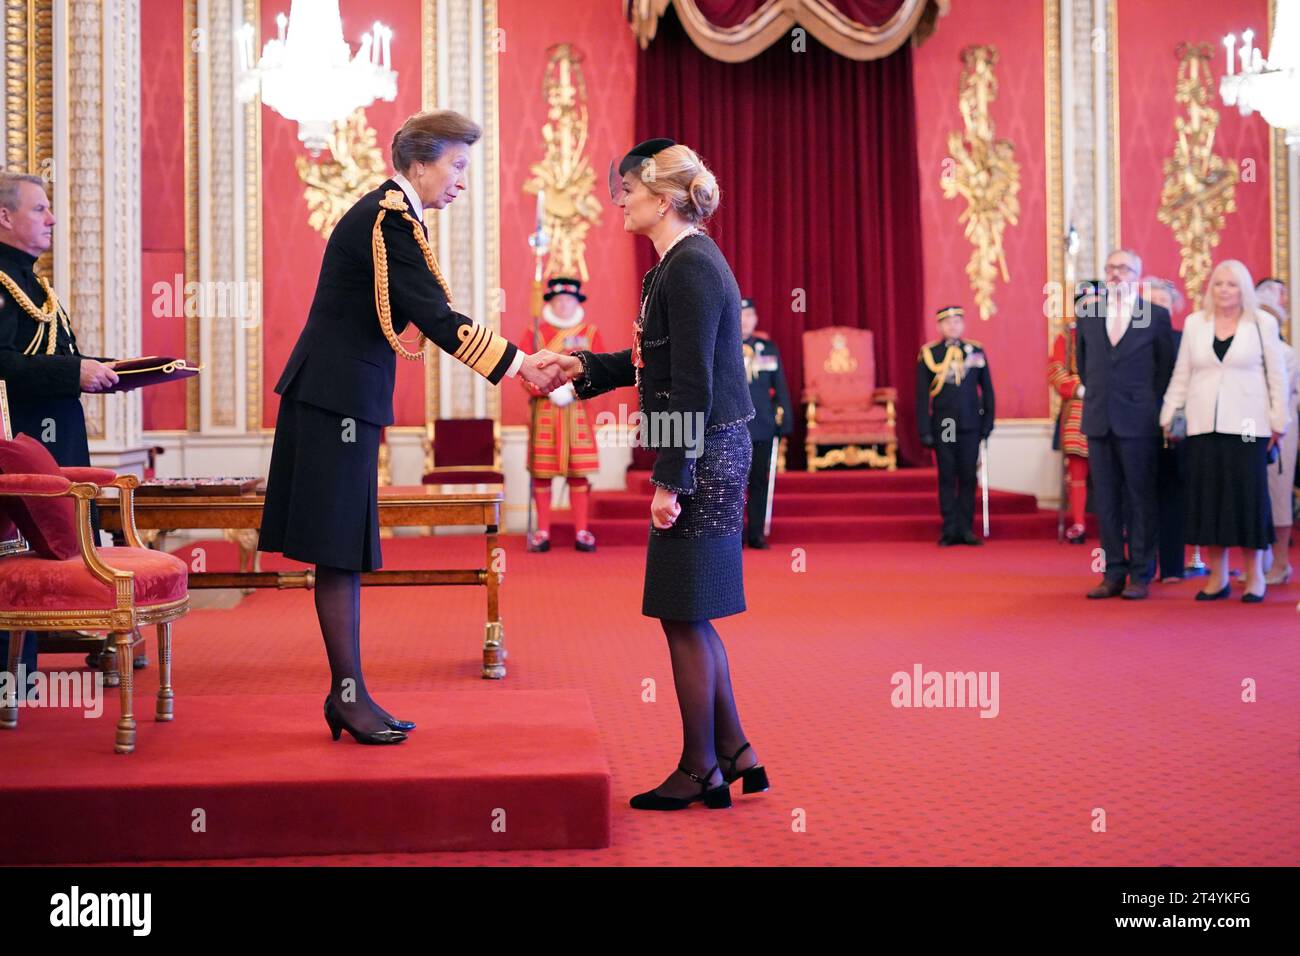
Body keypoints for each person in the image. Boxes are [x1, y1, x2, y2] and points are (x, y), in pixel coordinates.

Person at [257, 111, 566, 744]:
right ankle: (348, 696)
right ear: (419, 163)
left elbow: (418, 315)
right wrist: (520, 364)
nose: (461, 181)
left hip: (341, 396)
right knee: (337, 551)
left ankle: (350, 694)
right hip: (334, 399)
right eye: (456, 166)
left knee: (342, 551)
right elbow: (434, 313)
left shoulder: (393, 216)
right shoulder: (390, 219)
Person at [546, 138, 765, 810]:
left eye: (630, 191)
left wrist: (672, 479)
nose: (620, 202)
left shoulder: (691, 266)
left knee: (682, 612)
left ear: (663, 199)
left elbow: (693, 383)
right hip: (705, 445)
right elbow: (656, 365)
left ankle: (700, 768)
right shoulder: (674, 265)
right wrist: (581, 369)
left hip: (706, 450)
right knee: (690, 611)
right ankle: (734, 752)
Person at [0, 171, 120, 687]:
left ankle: (24, 678)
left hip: (60, 445)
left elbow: (53, 356)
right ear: (5, 217)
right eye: (39, 209)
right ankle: (14, 680)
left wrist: (115, 371)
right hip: (22, 452)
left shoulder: (35, 285)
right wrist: (73, 371)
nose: (52, 219)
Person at [1159, 260, 1288, 602]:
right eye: (1218, 284)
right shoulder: (1194, 324)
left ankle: (1255, 574)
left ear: (1243, 288)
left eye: (1231, 284)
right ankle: (1217, 577)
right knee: (1209, 499)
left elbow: (1277, 376)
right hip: (1203, 424)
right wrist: (1169, 414)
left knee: (1248, 496)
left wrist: (1278, 421)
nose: (1224, 290)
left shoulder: (1262, 323)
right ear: (1210, 288)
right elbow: (1182, 373)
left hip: (1248, 425)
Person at [1076, 249, 1175, 600]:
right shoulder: (1088, 313)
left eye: (1124, 268)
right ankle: (1112, 572)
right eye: (1111, 268)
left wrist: (1155, 410)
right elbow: (1084, 367)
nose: (1116, 274)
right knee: (1105, 500)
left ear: (1138, 274)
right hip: (1099, 418)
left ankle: (1141, 573)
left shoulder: (1156, 316)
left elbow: (1165, 370)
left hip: (1139, 420)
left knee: (1140, 498)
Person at [520, 277, 601, 553]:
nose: (564, 304)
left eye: (569, 300)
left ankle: (582, 531)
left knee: (579, 474)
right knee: (542, 473)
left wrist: (575, 391)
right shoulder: (535, 332)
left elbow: (602, 372)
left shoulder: (591, 332)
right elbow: (522, 371)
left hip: (577, 413)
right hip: (545, 412)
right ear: (551, 302)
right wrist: (544, 389)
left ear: (577, 303)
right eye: (558, 300)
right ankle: (543, 531)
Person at [916, 305, 995, 546]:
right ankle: (949, 528)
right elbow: (921, 396)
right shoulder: (931, 353)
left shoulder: (975, 350)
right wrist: (925, 430)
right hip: (946, 423)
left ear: (963, 325)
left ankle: (966, 528)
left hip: (971, 422)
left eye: (957, 321)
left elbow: (987, 390)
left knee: (969, 476)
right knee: (948, 475)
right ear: (939, 326)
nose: (953, 326)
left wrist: (988, 423)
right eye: (948, 322)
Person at [1144, 276, 1190, 581]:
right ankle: (1142, 567)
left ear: (1173, 308)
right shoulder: (1130, 342)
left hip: (1173, 430)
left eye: (1163, 303)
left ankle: (1173, 566)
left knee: (1172, 497)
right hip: (1138, 430)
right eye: (1151, 304)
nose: (1158, 309)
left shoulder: (1185, 340)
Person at [740, 297, 793, 549]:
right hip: (733, 429)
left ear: (755, 319)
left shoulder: (768, 349)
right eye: (740, 316)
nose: (744, 321)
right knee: (734, 484)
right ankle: (734, 534)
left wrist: (785, 421)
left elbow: (780, 387)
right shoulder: (723, 347)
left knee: (759, 482)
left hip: (762, 425)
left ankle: (756, 533)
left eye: (749, 315)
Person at [1255, 281, 1299, 584]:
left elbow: (1283, 398)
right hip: (1247, 430)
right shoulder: (1245, 351)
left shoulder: (1286, 353)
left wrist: (1275, 426)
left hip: (1279, 431)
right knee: (1255, 493)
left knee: (1278, 494)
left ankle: (1281, 563)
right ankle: (1261, 560)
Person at [1047, 310, 1087, 543]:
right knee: (1077, 469)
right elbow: (1055, 369)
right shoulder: (1068, 335)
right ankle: (1079, 523)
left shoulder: (1115, 329)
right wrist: (1079, 389)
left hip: (1111, 405)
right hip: (1078, 408)